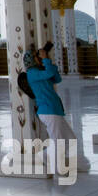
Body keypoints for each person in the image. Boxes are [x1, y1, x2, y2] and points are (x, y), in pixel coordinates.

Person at [24, 42, 88, 174]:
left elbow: (57, 79)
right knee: (58, 142)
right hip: (48, 111)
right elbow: (49, 74)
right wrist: (46, 59)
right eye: (37, 56)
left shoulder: (41, 71)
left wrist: (47, 60)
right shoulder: (32, 73)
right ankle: (56, 169)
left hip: (55, 110)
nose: (40, 58)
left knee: (70, 139)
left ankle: (44, 157)